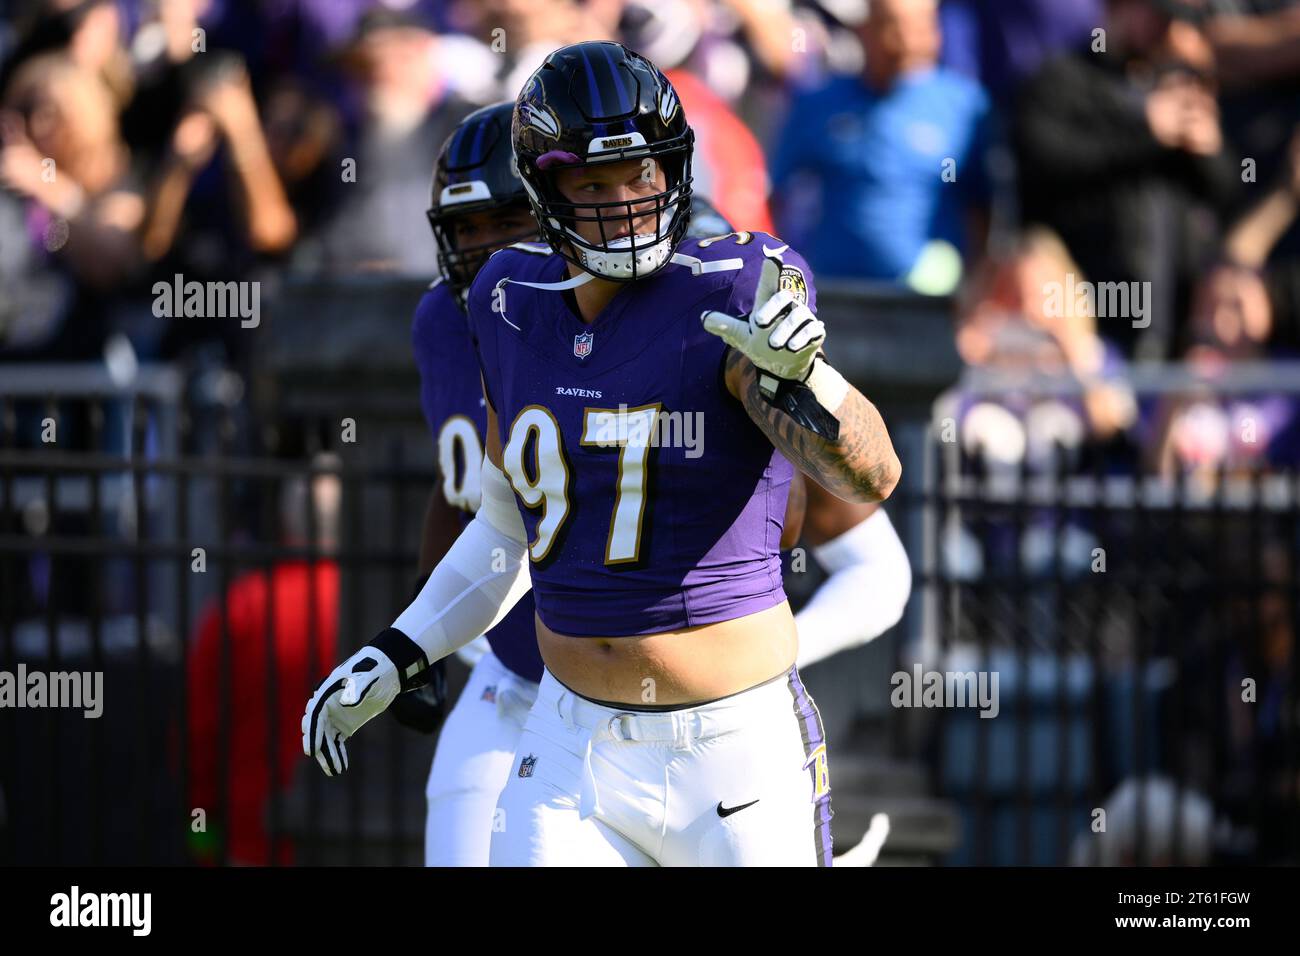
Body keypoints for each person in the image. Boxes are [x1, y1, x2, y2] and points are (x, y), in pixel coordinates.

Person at [305, 41, 901, 867]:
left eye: (640, 174)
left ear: (675, 169)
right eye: (593, 184)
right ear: (545, 192)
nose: (624, 203)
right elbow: (504, 529)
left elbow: (873, 474)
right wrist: (402, 647)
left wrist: (814, 384)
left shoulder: (730, 287)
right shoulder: (508, 301)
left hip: (734, 754)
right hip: (569, 745)